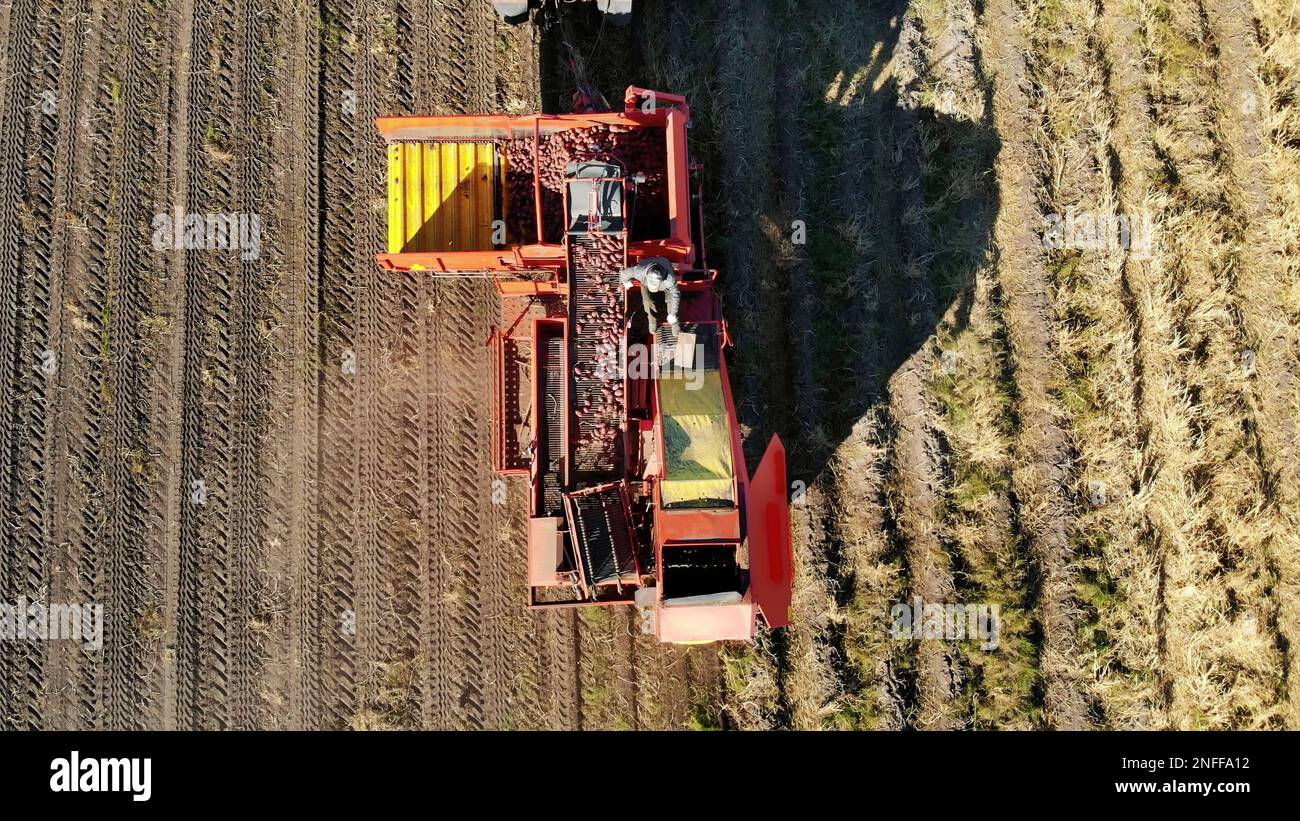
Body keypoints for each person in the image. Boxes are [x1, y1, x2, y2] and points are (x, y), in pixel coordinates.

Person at [618, 256, 680, 330]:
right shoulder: (639, 272)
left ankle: (675, 325)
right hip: (645, 282)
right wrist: (625, 282)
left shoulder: (669, 279)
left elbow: (676, 295)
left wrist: (673, 314)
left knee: (671, 300)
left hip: (663, 282)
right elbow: (624, 274)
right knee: (647, 301)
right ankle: (652, 322)